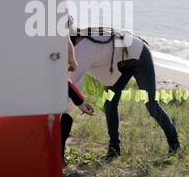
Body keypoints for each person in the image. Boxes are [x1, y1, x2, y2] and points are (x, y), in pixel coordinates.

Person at [68, 27, 179, 160]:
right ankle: (114, 149)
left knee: (151, 104)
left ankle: (174, 144)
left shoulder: (82, 49)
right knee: (110, 102)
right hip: (120, 64)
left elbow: (73, 84)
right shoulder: (78, 42)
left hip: (139, 56)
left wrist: (63, 112)